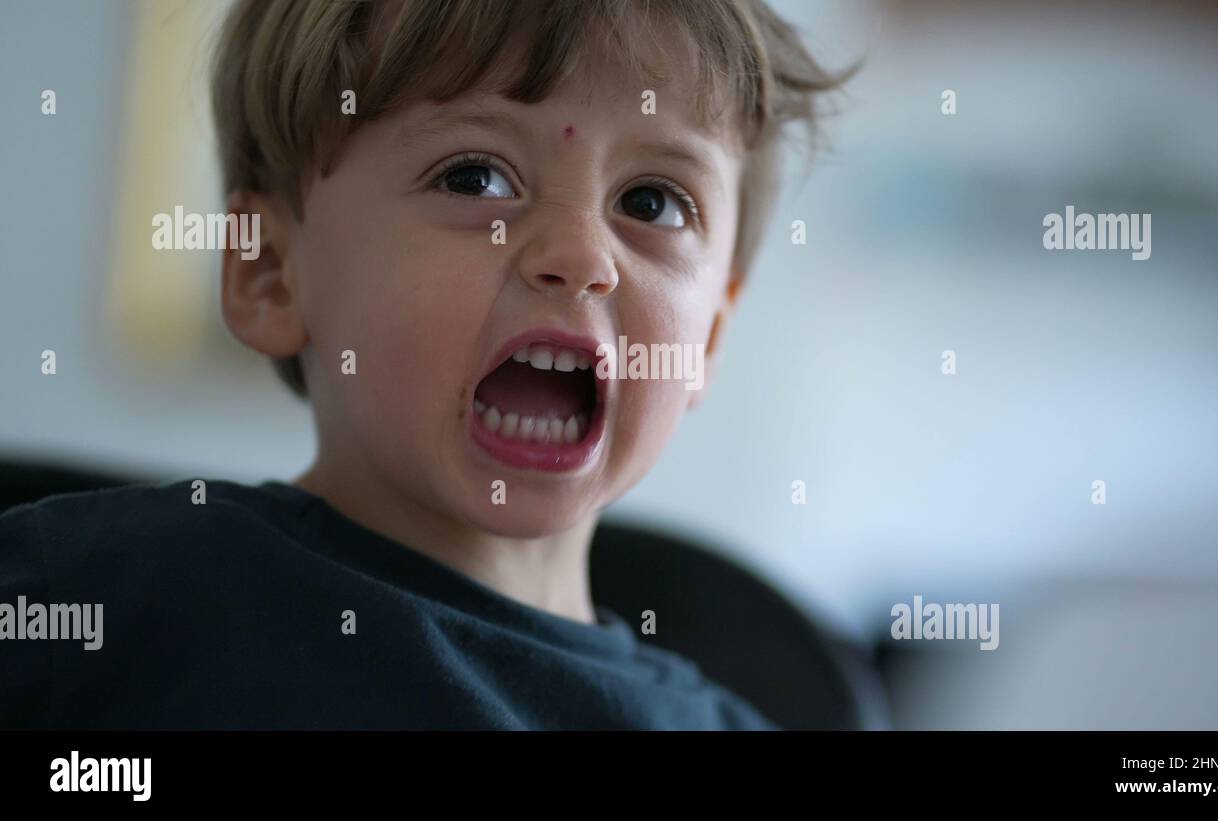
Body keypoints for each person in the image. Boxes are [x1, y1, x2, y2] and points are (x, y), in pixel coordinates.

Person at [0, 0, 853, 729]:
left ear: (704, 341)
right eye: (477, 178)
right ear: (269, 272)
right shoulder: (111, 597)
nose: (580, 254)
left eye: (652, 201)